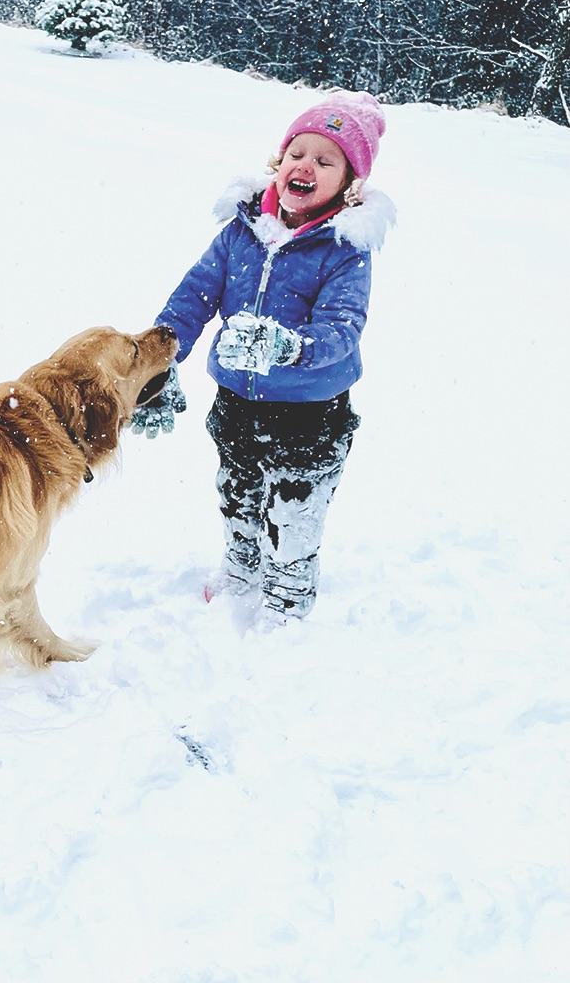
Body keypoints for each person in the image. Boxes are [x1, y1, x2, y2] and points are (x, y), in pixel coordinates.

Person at [134, 90, 395, 624]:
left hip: (311, 412)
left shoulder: (345, 247)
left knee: (296, 510)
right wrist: (158, 358)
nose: (306, 166)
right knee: (238, 489)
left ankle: (289, 589)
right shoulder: (243, 229)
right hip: (236, 400)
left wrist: (288, 347)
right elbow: (196, 294)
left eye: (326, 161)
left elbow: (343, 329)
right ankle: (243, 564)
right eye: (298, 153)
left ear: (349, 184)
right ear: (279, 162)